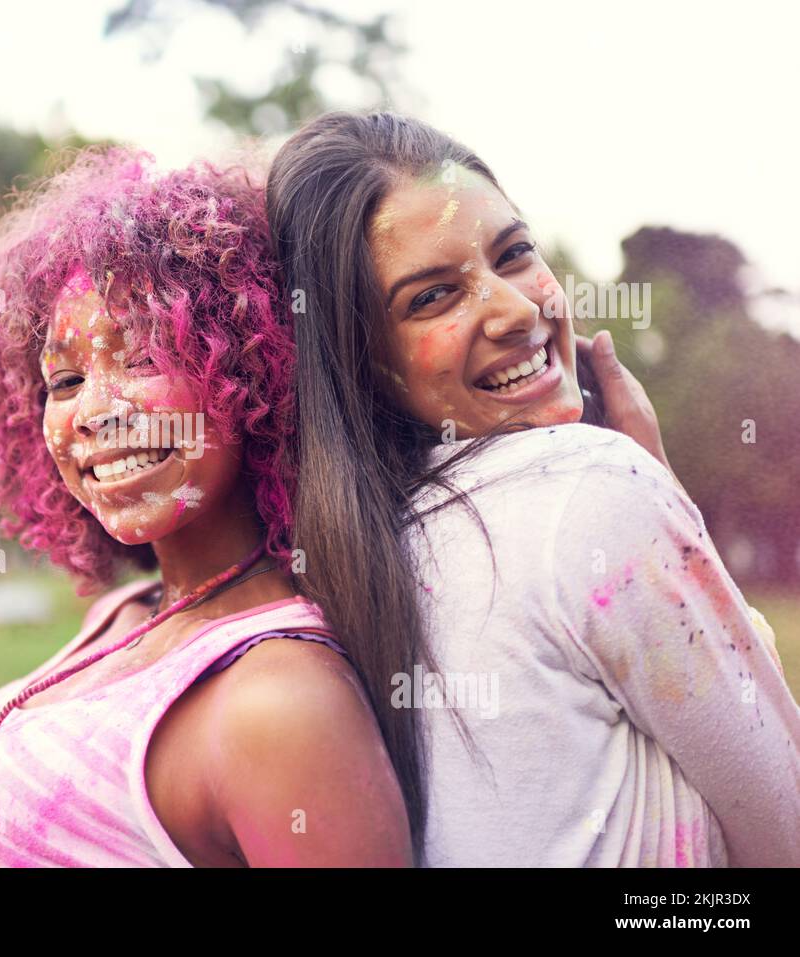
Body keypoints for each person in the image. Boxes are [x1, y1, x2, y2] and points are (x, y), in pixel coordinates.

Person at [265, 110, 800, 866]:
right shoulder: (595, 495)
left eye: (513, 253)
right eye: (433, 297)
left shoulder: (341, 549)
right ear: (356, 361)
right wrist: (658, 485)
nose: (518, 310)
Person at [0, 147, 411, 867]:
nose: (96, 412)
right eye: (67, 378)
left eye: (143, 357)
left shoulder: (280, 701)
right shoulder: (126, 612)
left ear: (254, 370)